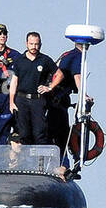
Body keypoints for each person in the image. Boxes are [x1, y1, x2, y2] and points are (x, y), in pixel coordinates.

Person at [8, 32, 57, 143]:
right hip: (22, 99)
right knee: (23, 133)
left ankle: (40, 159)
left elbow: (59, 74)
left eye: (36, 44)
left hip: (38, 100)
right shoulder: (19, 60)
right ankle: (24, 159)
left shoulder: (45, 60)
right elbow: (14, 82)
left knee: (39, 132)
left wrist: (50, 87)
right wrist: (11, 102)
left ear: (40, 44)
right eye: (31, 44)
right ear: (26, 44)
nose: (34, 47)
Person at [44, 40, 84, 170]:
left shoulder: (68, 55)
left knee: (57, 134)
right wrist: (84, 95)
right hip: (57, 101)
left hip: (56, 100)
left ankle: (60, 164)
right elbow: (74, 76)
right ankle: (62, 165)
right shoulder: (76, 56)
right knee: (60, 135)